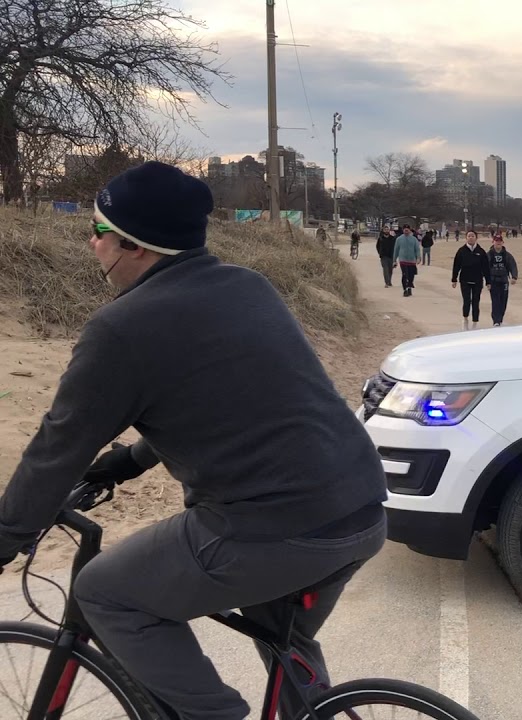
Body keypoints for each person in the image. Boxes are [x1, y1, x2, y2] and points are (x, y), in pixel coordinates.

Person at [0, 161, 387, 719]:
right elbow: (237, 400)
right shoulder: (247, 287)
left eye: (100, 231)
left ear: (135, 246)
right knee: (284, 641)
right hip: (360, 509)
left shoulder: (121, 328)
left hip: (272, 527)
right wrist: (128, 461)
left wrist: (8, 534)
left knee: (105, 592)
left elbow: (58, 446)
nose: (92, 243)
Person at [451, 230, 488, 330]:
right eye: (469, 236)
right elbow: (456, 266)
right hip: (465, 280)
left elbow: (485, 267)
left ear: (476, 238)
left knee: (476, 301)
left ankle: (475, 322)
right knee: (466, 300)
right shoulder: (461, 251)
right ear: (466, 238)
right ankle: (465, 319)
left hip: (477, 280)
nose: (471, 238)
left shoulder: (481, 251)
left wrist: (488, 281)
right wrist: (454, 279)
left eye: (472, 236)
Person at [487, 233, 519, 326]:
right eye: (496, 241)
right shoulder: (489, 255)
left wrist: (514, 277)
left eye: (500, 241)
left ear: (502, 242)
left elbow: (513, 266)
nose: (498, 243)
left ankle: (500, 318)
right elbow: (484, 268)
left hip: (504, 280)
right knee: (495, 300)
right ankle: (496, 320)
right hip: (493, 281)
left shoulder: (507, 255)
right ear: (493, 242)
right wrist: (486, 281)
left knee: (503, 300)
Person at [394, 224, 423, 296]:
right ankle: (405, 289)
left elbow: (417, 250)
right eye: (405, 229)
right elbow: (396, 250)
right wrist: (394, 260)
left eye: (407, 229)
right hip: (403, 260)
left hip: (412, 261)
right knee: (404, 274)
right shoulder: (399, 239)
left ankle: (409, 287)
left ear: (410, 230)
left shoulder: (414, 239)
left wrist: (418, 258)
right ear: (403, 230)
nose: (406, 230)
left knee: (411, 275)